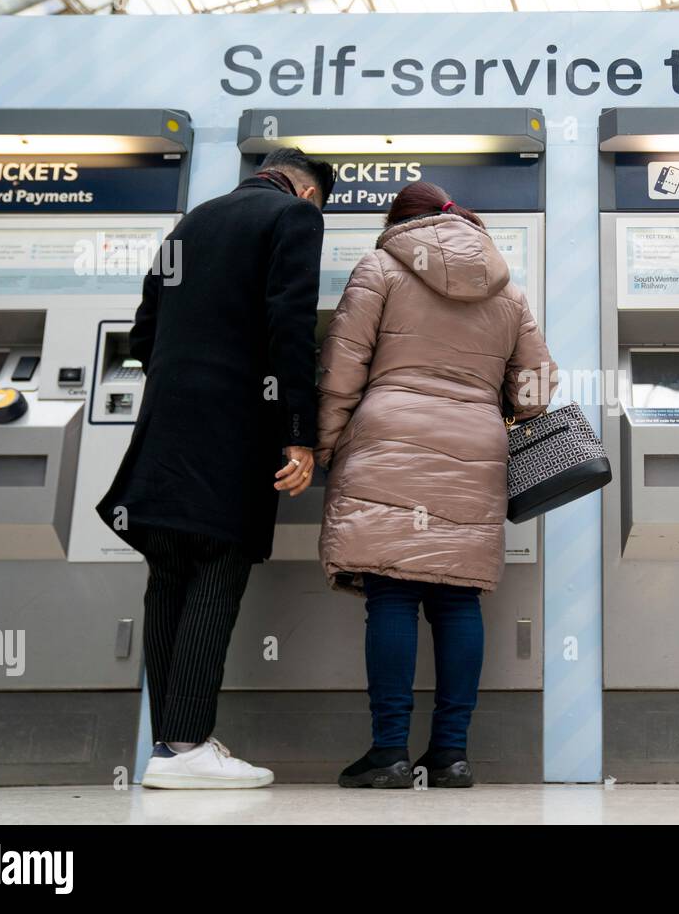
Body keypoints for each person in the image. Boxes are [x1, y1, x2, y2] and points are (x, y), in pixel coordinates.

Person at [98, 148, 335, 789]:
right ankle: (190, 744)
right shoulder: (294, 218)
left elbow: (143, 334)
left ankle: (169, 748)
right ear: (310, 193)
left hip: (165, 425)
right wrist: (298, 435)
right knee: (218, 561)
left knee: (170, 569)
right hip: (233, 426)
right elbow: (290, 325)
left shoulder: (194, 219)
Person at [316, 181, 556, 789]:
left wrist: (322, 446)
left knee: (392, 595)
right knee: (457, 597)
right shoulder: (508, 290)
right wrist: (489, 411)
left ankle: (388, 754)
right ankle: (450, 755)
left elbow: (341, 368)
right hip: (477, 444)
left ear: (401, 224)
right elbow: (535, 389)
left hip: (389, 437)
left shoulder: (378, 268)